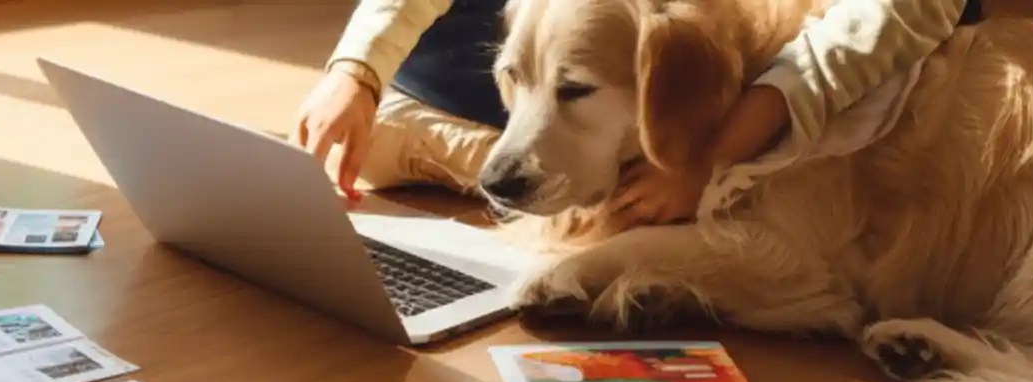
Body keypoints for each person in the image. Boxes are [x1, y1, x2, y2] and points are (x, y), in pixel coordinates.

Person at [295, 0, 982, 222]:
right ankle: (588, 159)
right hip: (632, 36)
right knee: (427, 50)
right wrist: (357, 69)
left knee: (887, 65)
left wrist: (713, 157)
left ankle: (631, 160)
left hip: (771, 36)